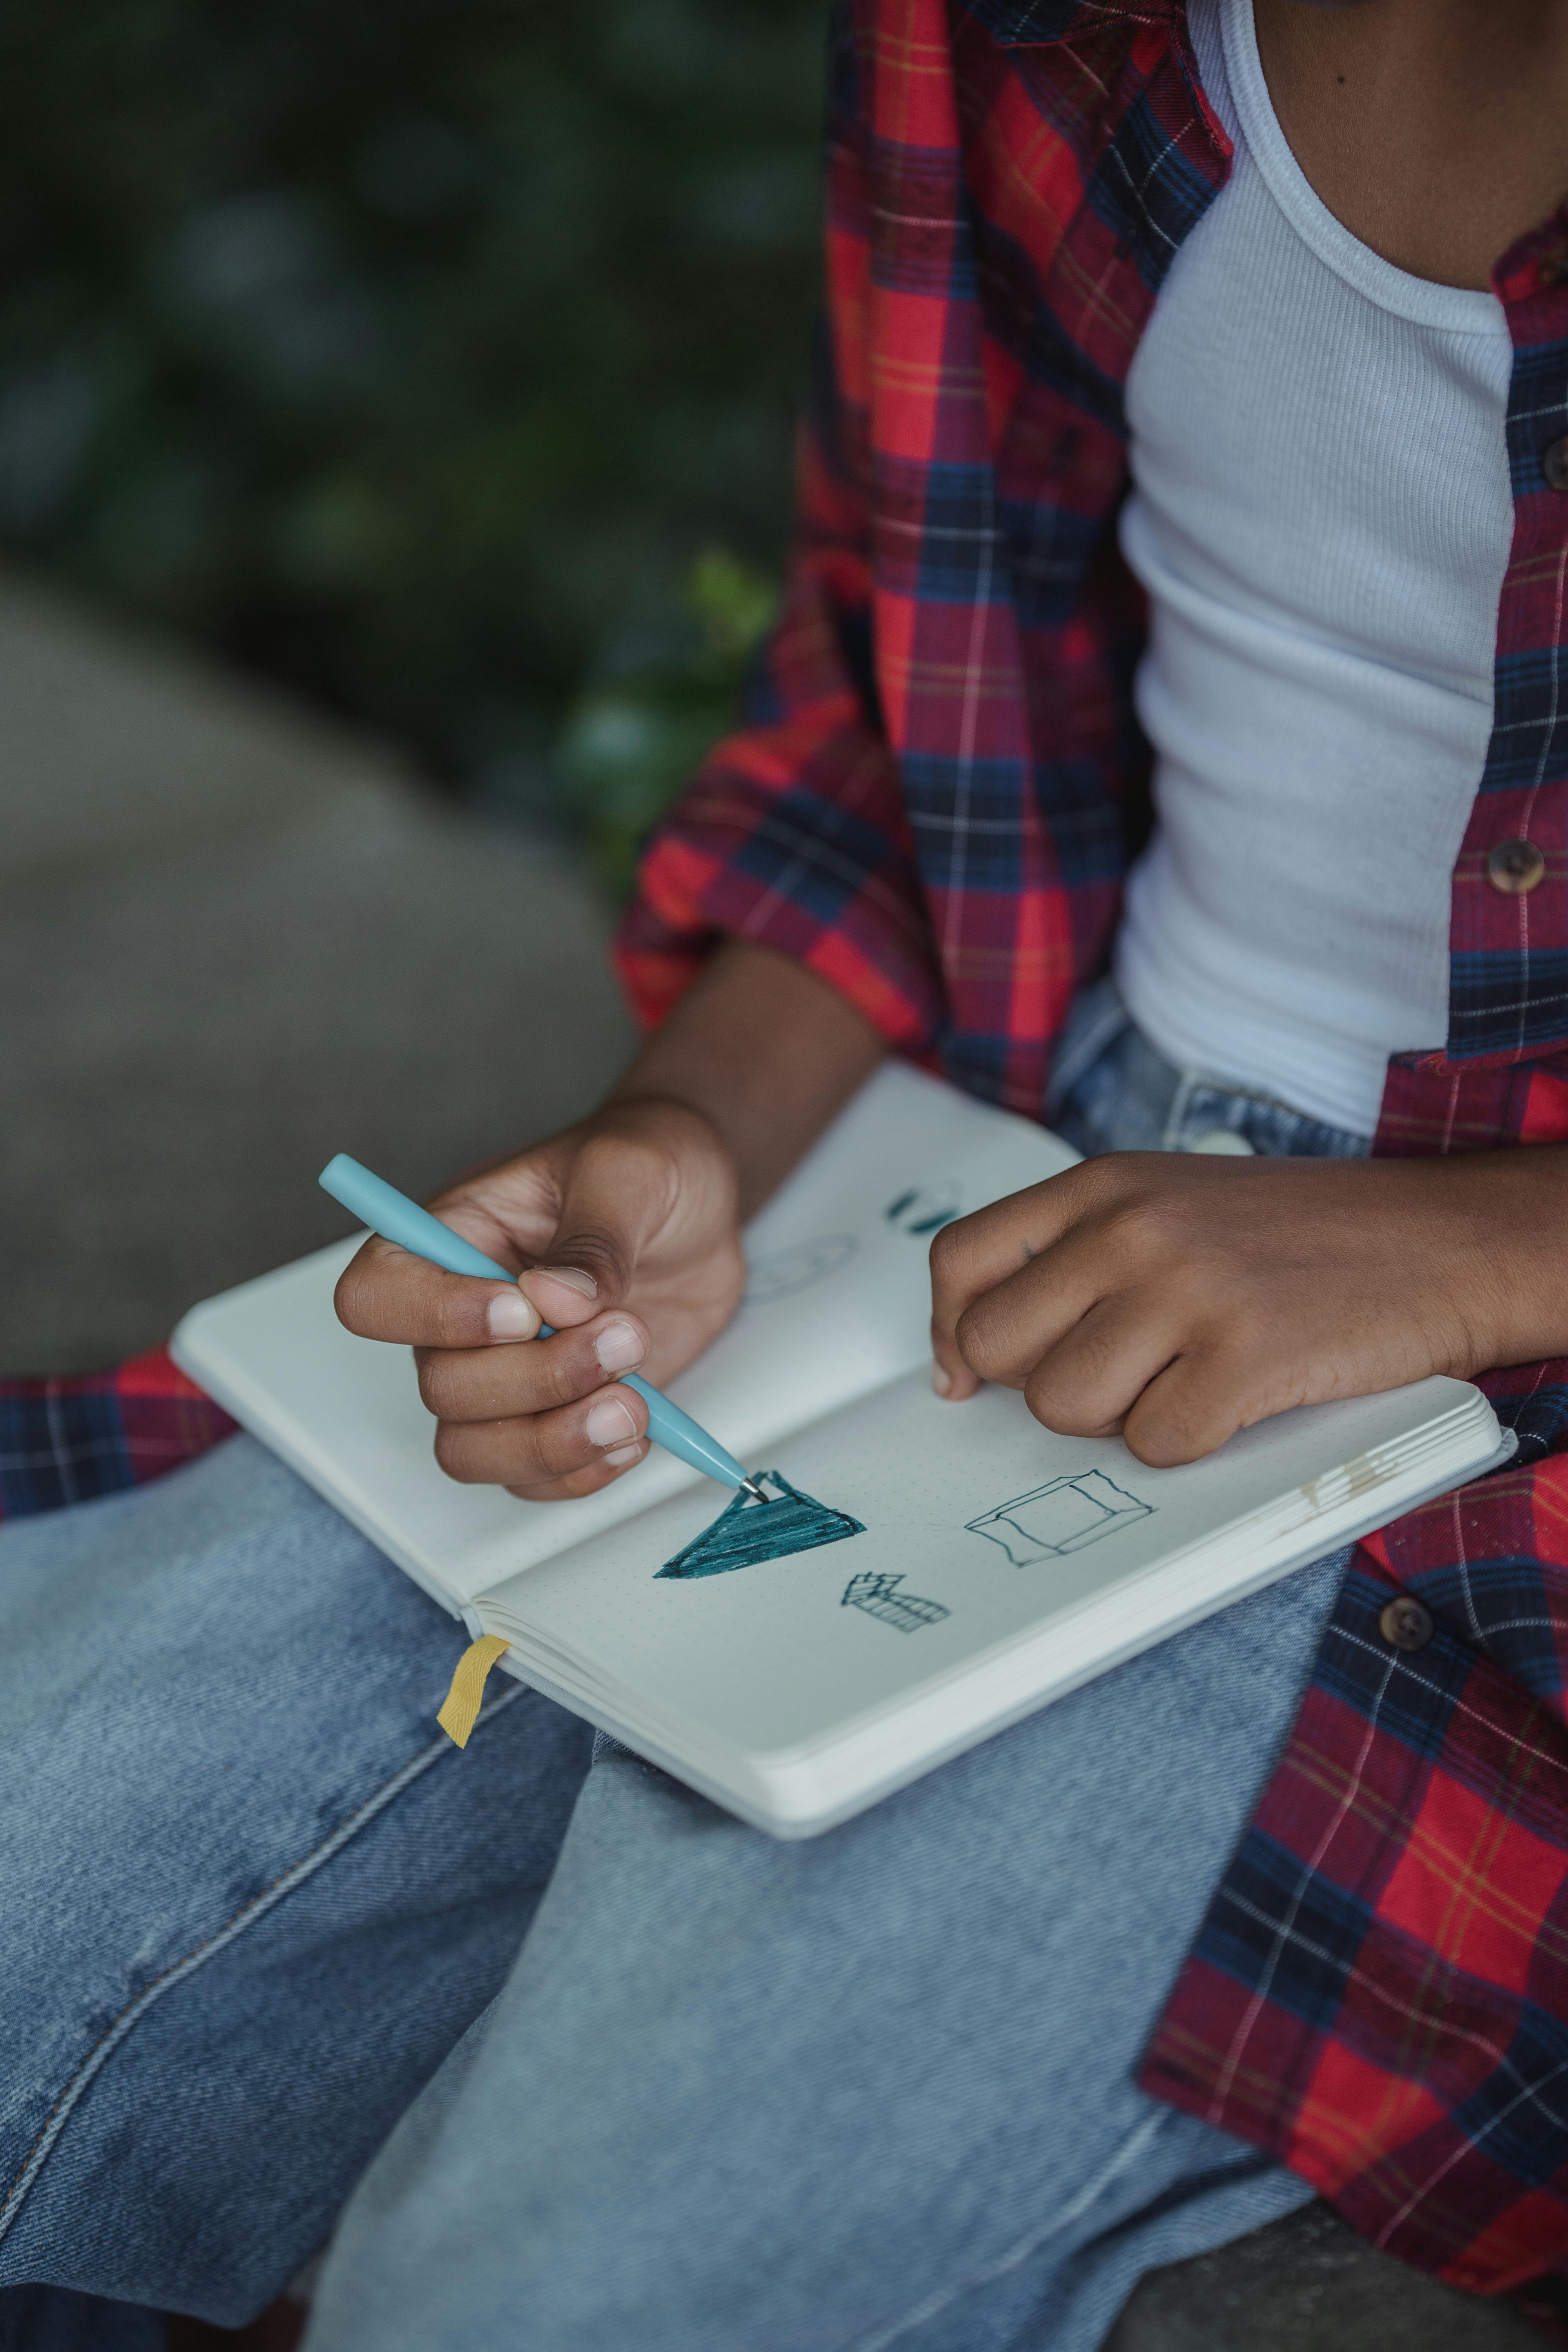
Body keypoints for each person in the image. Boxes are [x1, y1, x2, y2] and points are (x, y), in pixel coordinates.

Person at [5, 0, 1568, 2343]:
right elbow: (917, 672)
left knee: (537, 2301)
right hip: (995, 1122)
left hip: (1489, 1432)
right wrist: (696, 1133)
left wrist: (1483, 1244)